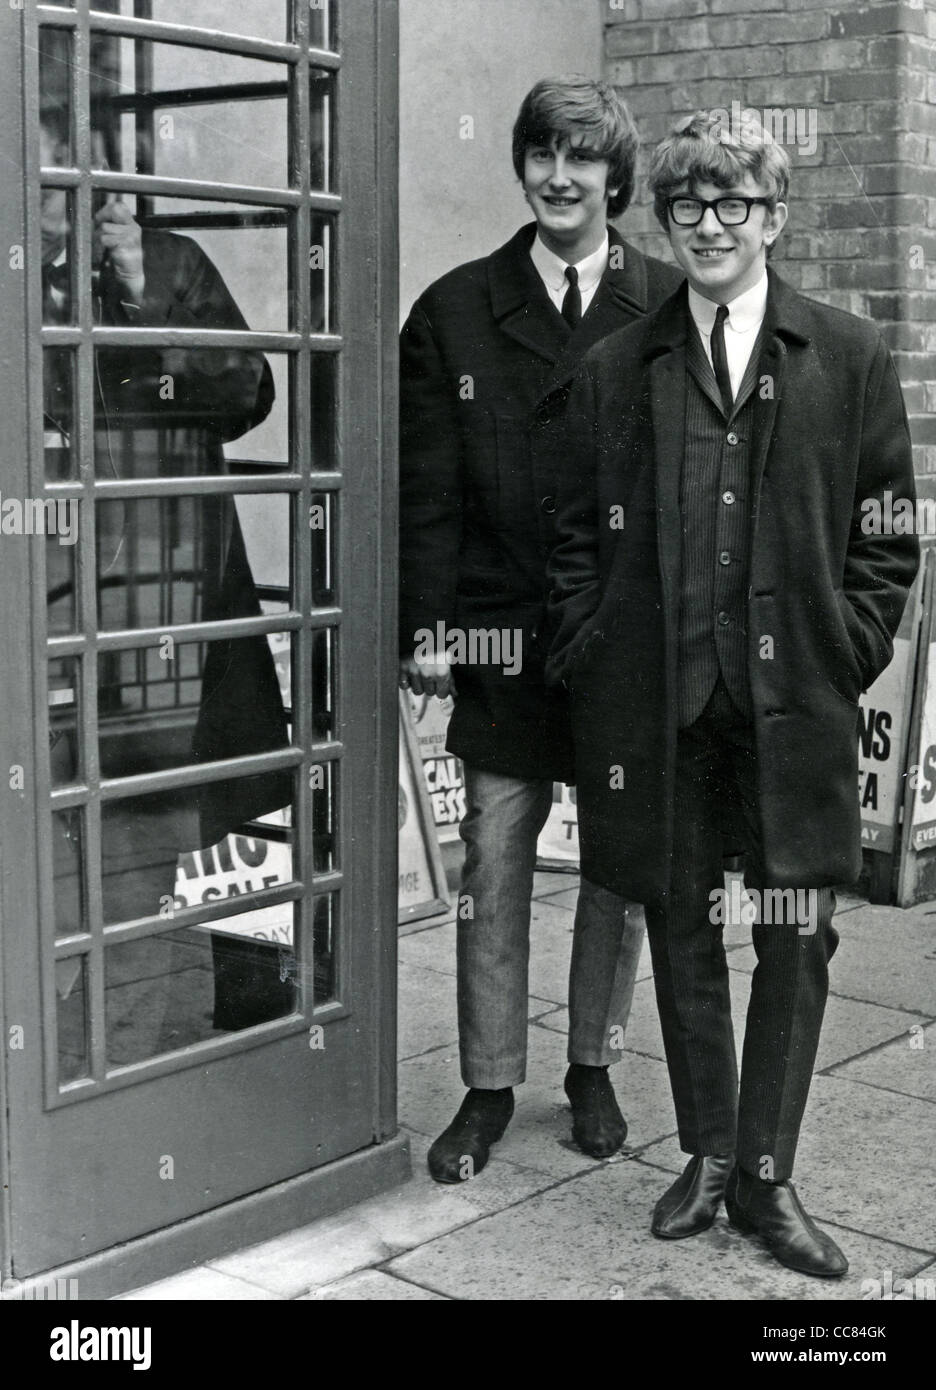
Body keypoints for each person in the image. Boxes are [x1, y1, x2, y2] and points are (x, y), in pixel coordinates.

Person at [544, 111, 918, 1274]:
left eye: (736, 206)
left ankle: (767, 1177)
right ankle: (705, 1155)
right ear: (665, 218)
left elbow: (885, 539)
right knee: (684, 930)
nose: (711, 227)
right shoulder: (618, 366)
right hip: (664, 717)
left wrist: (835, 653)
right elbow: (569, 540)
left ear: (774, 218)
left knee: (795, 939)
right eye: (689, 208)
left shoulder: (848, 355)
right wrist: (593, 650)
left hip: (792, 715)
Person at [398, 77, 682, 1182]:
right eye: (541, 156)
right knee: (494, 859)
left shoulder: (666, 304)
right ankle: (487, 1081)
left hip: (623, 640)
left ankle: (594, 1065)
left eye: (581, 159)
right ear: (520, 164)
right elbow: (428, 488)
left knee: (616, 869)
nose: (559, 178)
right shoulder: (456, 309)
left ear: (615, 174)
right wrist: (425, 623)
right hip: (497, 640)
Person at [41, 109, 292, 1040]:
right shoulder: (22, 278)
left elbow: (248, 394)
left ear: (111, 173)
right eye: (42, 167)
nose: (62, 184)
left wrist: (146, 297)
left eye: (78, 162)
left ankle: (256, 992)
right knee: (102, 810)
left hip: (192, 580)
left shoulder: (175, 263)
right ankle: (86, 1008)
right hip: (66, 590)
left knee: (235, 788)